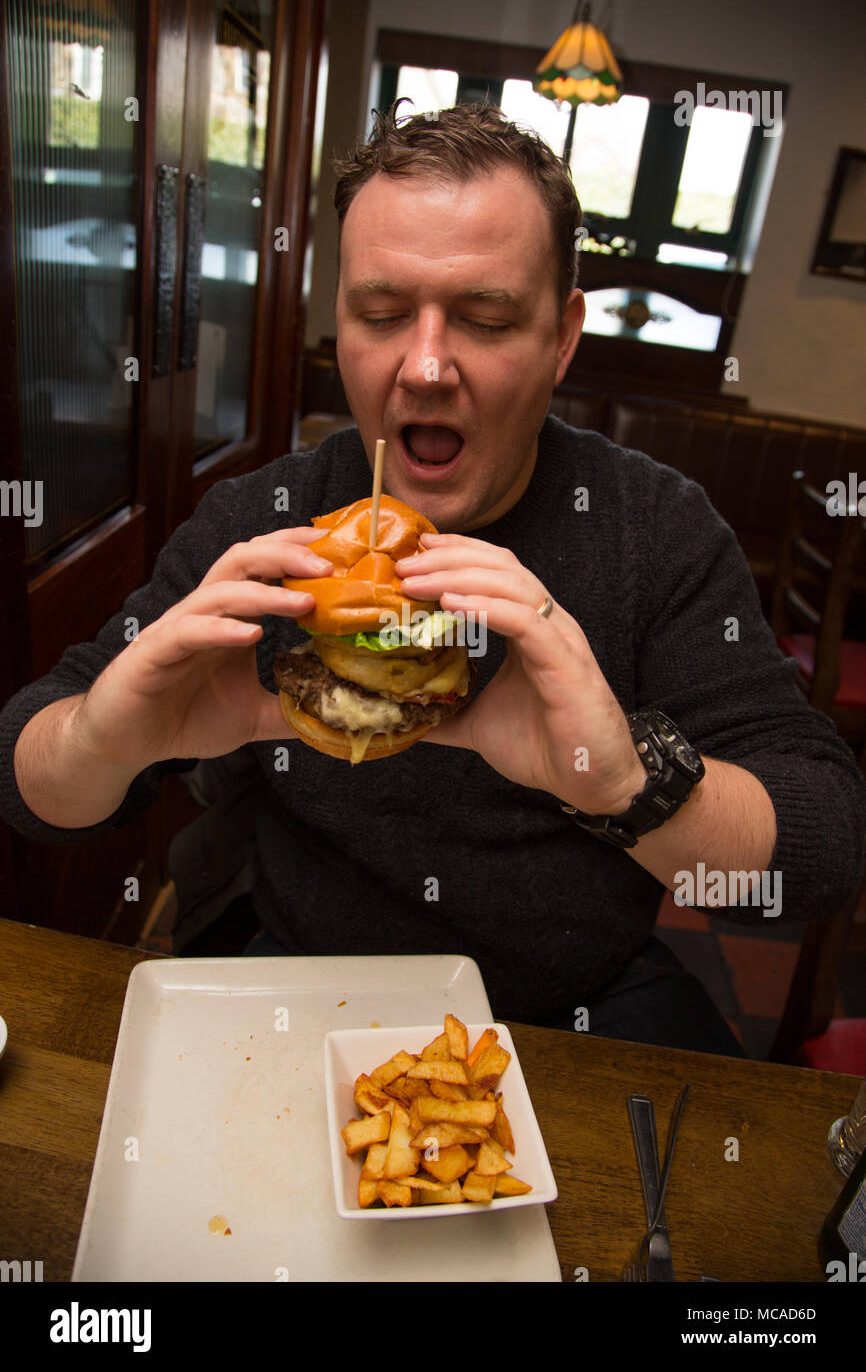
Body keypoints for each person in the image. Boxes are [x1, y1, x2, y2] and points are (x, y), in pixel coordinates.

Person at [2, 102, 864, 1057]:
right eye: (380, 315)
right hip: (306, 974)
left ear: (563, 336)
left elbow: (816, 859)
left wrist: (624, 778)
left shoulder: (654, 530)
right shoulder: (262, 521)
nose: (422, 367)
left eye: (486, 319)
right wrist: (107, 739)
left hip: (577, 1003)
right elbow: (25, 779)